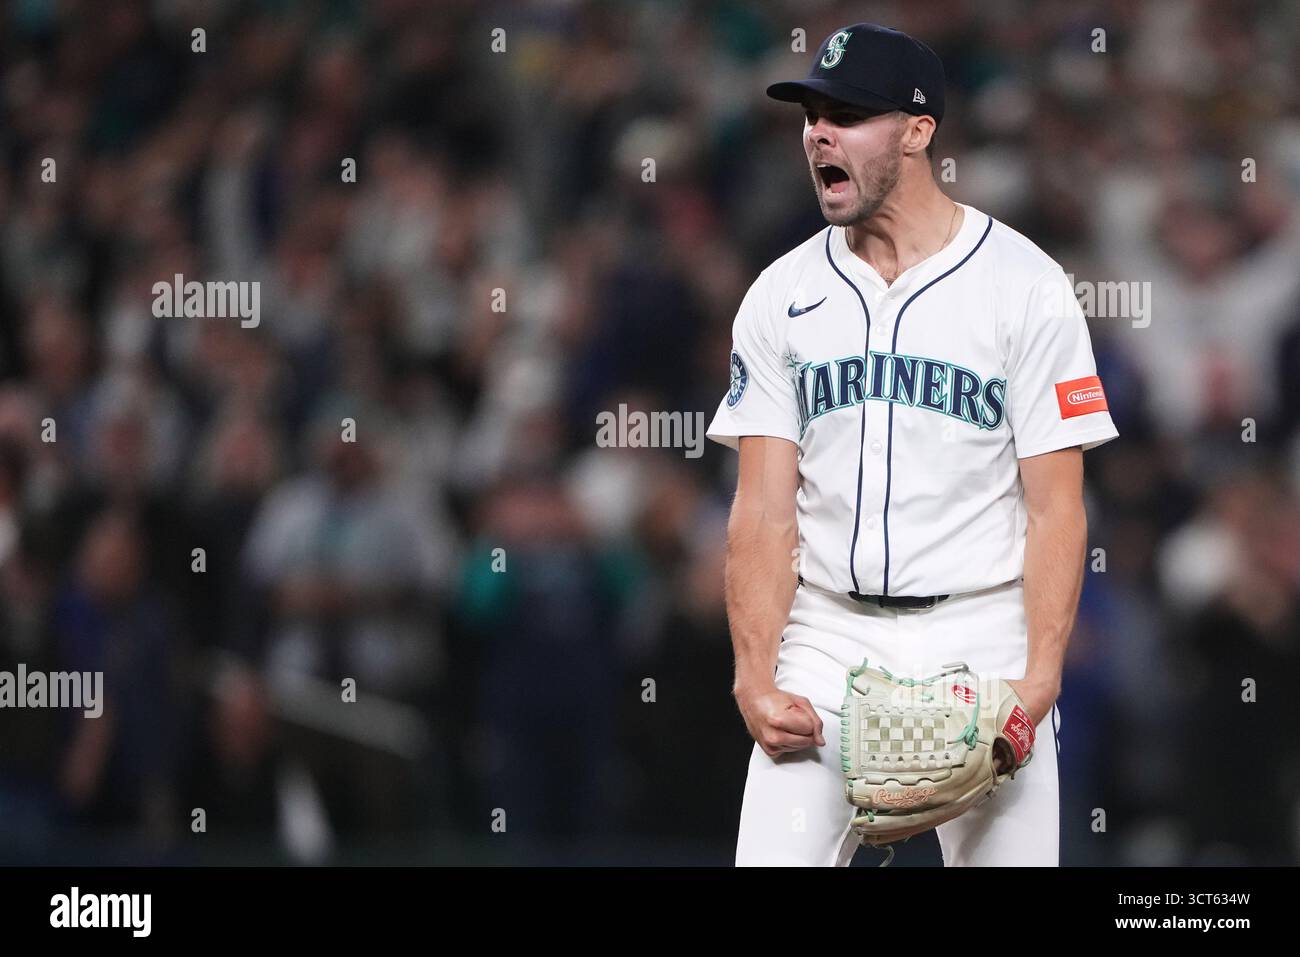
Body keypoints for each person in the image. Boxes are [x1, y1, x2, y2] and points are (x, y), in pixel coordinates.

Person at [705, 23, 1118, 866]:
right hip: (827, 635)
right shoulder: (781, 294)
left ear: (919, 131)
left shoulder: (1025, 286)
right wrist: (754, 674)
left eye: (848, 114)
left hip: (984, 633)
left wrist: (1038, 681)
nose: (819, 132)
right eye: (812, 114)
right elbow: (763, 508)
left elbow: (1057, 507)